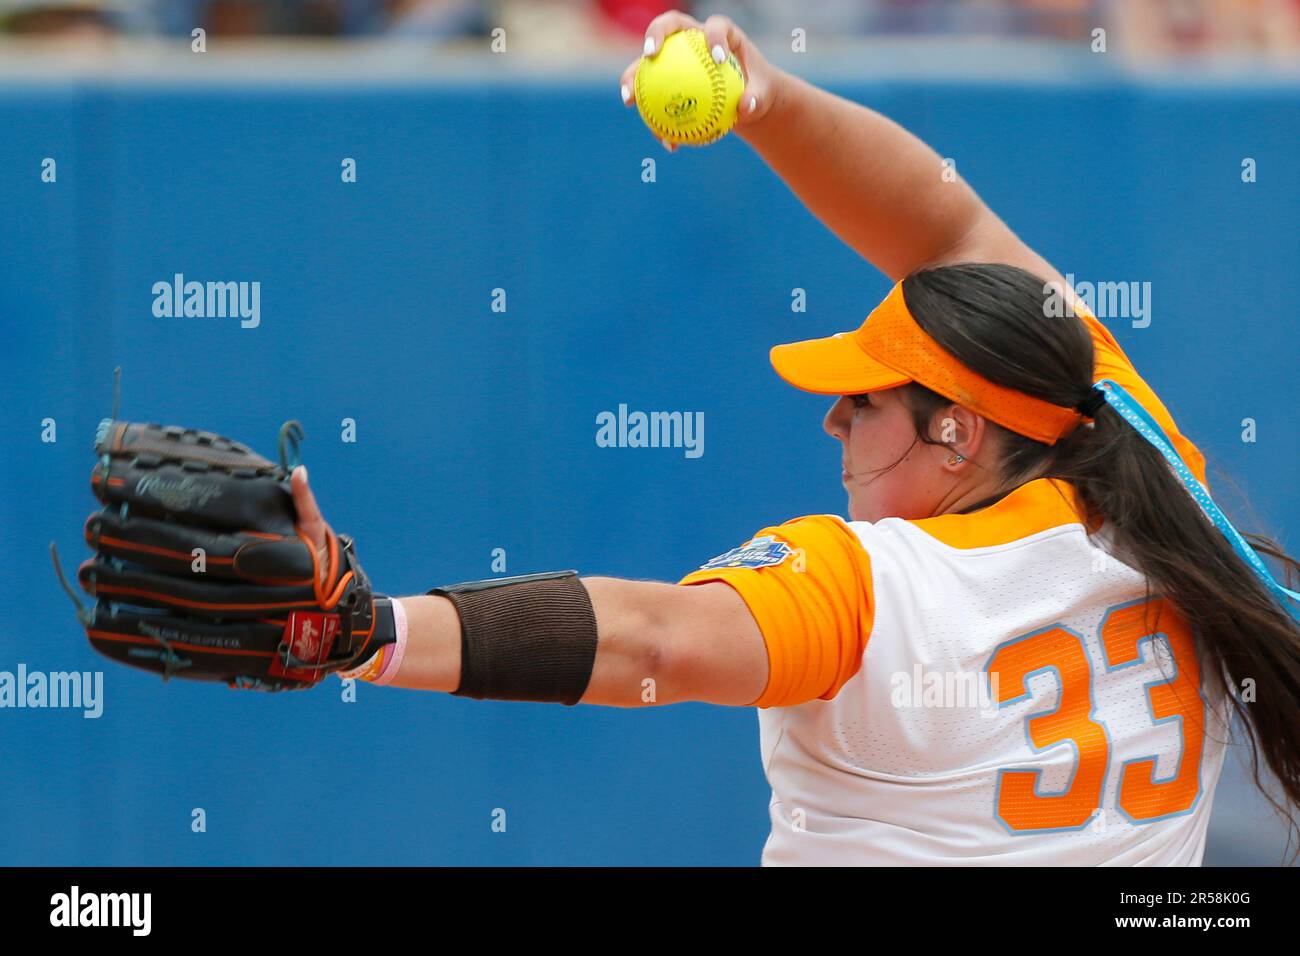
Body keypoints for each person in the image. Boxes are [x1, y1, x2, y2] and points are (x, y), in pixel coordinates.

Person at [289, 10, 1300, 865]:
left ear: (957, 430)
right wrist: (767, 102)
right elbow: (954, 245)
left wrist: (373, 632)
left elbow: (655, 640)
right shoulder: (1143, 469)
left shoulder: (871, 581)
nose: (833, 415)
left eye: (864, 398)